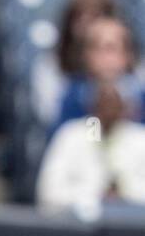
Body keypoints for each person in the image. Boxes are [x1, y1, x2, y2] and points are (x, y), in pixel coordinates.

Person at [37, 82, 145, 213]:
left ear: (124, 107)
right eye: (103, 104)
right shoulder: (74, 135)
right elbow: (49, 191)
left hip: (132, 221)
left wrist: (123, 193)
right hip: (79, 224)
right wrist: (94, 196)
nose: (108, 110)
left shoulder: (139, 138)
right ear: (92, 106)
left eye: (113, 104)